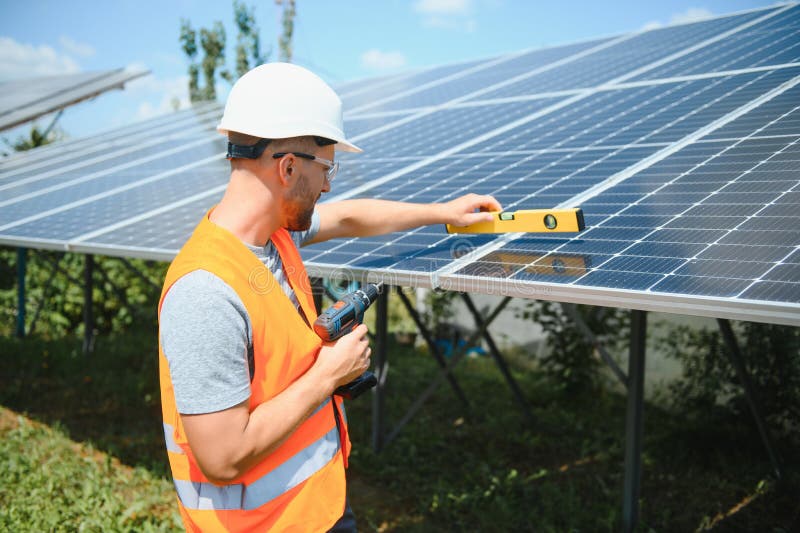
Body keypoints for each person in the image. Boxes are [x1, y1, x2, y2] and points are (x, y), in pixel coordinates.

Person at [158, 62, 501, 532]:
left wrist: (442, 212)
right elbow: (223, 457)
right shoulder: (205, 291)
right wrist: (329, 375)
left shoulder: (274, 237)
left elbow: (349, 218)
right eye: (327, 168)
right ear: (288, 166)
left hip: (315, 509)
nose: (327, 185)